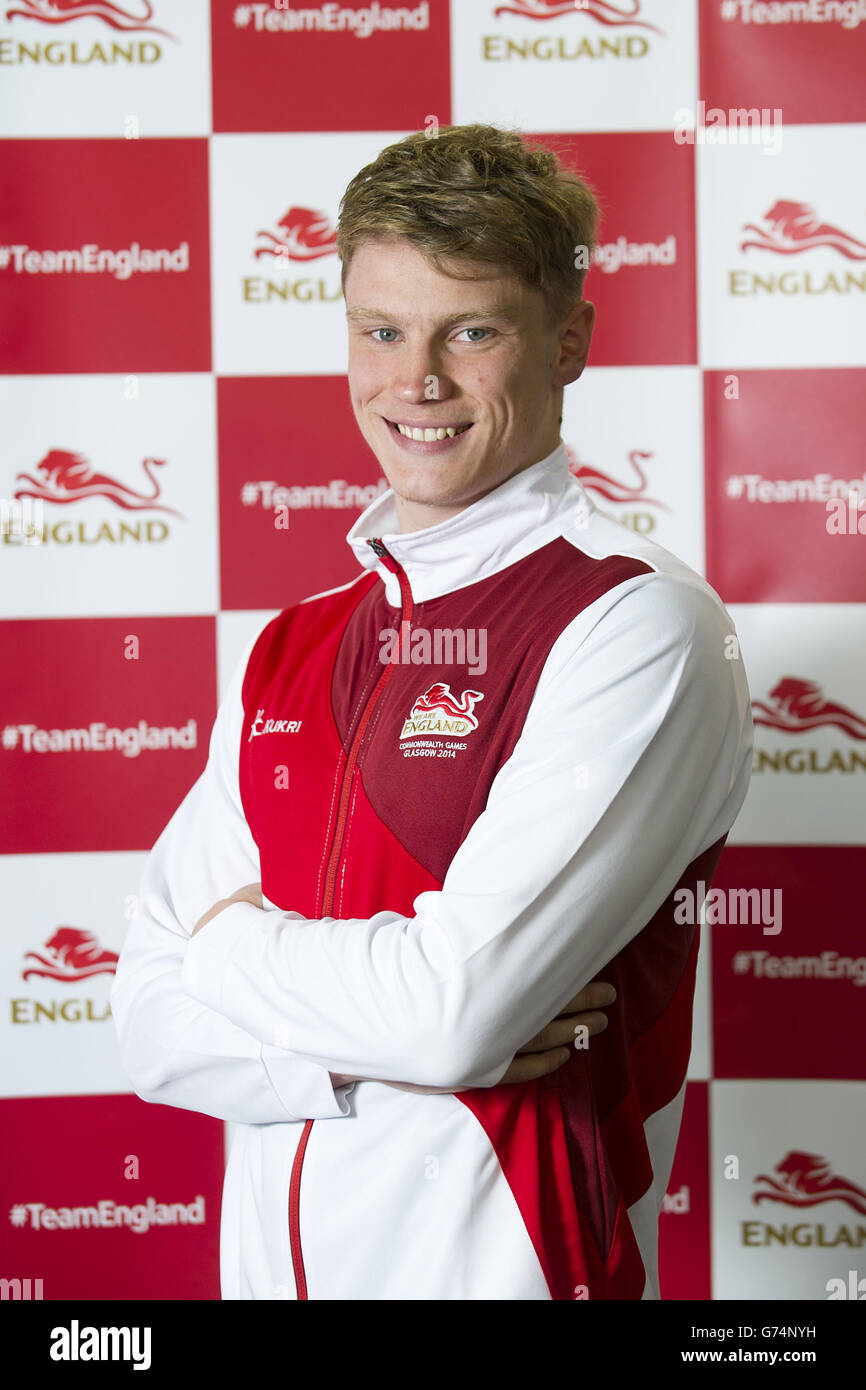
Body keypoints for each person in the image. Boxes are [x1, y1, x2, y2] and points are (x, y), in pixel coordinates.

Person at [111, 123, 753, 1301]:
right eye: (381, 330)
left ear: (568, 343)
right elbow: (147, 1022)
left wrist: (223, 948)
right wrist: (377, 1042)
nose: (417, 383)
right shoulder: (288, 643)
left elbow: (452, 1014)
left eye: (470, 330)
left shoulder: (632, 620)